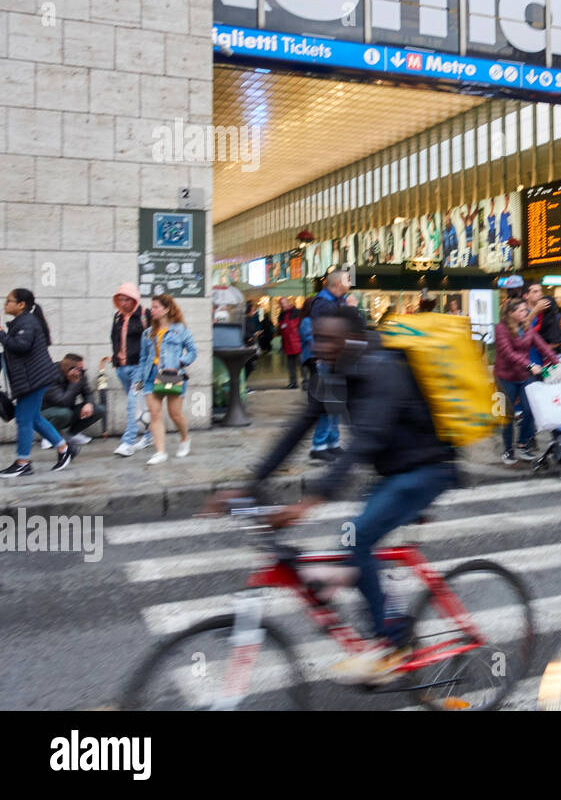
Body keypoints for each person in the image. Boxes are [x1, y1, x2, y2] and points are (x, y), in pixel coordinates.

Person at [212, 306, 462, 683]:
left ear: (352, 339)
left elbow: (367, 441)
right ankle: (386, 619)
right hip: (393, 471)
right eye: (316, 338)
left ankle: (391, 646)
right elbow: (298, 428)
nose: (320, 346)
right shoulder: (335, 372)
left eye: (329, 339)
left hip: (427, 469)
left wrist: (308, 502)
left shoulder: (383, 370)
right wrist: (250, 485)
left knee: (355, 536)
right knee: (355, 545)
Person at [0, 289, 76, 475]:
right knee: (33, 418)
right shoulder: (22, 321)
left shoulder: (27, 322)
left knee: (24, 419)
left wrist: (1, 334)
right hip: (32, 379)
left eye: (9, 301)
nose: (5, 304)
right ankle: (64, 449)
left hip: (34, 380)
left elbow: (21, 346)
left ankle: (23, 462)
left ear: (21, 305)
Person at [494, 297, 559, 466]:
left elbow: (541, 345)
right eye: (522, 310)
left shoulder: (526, 327)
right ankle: (508, 449)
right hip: (505, 377)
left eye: (525, 310)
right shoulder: (501, 329)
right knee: (506, 415)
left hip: (524, 376)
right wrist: (530, 365)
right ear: (511, 313)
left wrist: (558, 362)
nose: (526, 313)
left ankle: (523, 444)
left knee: (530, 410)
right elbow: (508, 353)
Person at [135, 293, 197, 465]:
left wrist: (180, 362)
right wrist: (139, 379)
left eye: (155, 307)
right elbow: (143, 358)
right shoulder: (148, 333)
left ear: (166, 309)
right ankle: (160, 452)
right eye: (151, 306)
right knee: (154, 415)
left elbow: (193, 352)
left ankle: (185, 439)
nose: (151, 310)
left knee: (175, 414)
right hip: (150, 376)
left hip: (172, 375)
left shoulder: (180, 330)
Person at [309, 270, 354, 459]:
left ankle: (332, 441)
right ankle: (319, 446)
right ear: (337, 284)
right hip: (328, 359)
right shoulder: (322, 304)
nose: (350, 284)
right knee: (328, 403)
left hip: (339, 359)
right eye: (347, 280)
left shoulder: (337, 301)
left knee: (337, 403)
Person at [109, 281, 150, 456]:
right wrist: (115, 358)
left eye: (127, 300)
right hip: (122, 369)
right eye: (120, 300)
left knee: (133, 403)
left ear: (134, 299)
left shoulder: (144, 315)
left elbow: (152, 339)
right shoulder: (117, 316)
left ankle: (128, 442)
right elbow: (113, 338)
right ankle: (150, 434)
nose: (123, 303)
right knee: (138, 404)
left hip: (139, 369)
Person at [37, 355, 103, 447]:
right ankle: (48, 436)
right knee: (65, 413)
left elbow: (88, 393)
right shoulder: (51, 376)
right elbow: (62, 402)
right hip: (45, 413)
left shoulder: (80, 375)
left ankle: (71, 435)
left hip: (67, 410)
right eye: (80, 369)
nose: (82, 372)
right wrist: (73, 383)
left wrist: (88, 403)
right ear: (69, 369)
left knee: (98, 409)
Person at [277, 298, 302, 388]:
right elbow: (280, 330)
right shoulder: (281, 316)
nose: (282, 306)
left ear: (288, 303)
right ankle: (293, 382)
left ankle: (306, 381)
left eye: (283, 303)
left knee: (302, 365)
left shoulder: (297, 312)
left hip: (297, 344)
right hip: (288, 344)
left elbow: (301, 327)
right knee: (291, 366)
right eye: (281, 304)